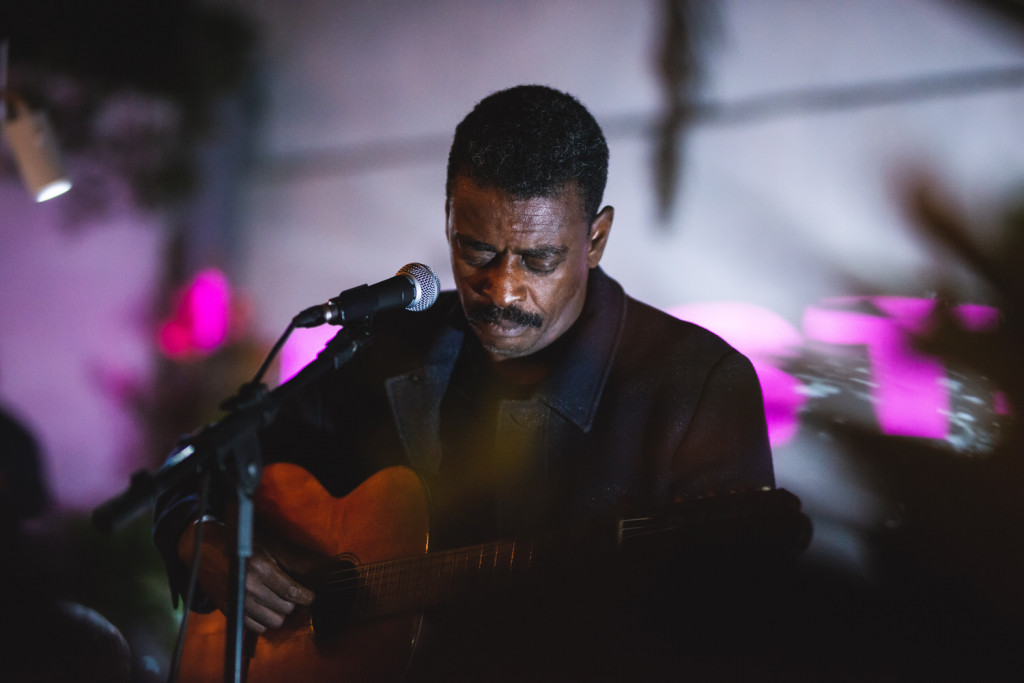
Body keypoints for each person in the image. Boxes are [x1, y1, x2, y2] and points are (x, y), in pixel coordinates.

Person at [154, 84, 783, 680]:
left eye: (539, 259)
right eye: (476, 250)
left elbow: (730, 634)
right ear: (450, 217)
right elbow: (205, 469)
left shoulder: (695, 387)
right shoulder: (390, 350)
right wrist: (198, 534)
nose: (502, 289)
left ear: (595, 238)